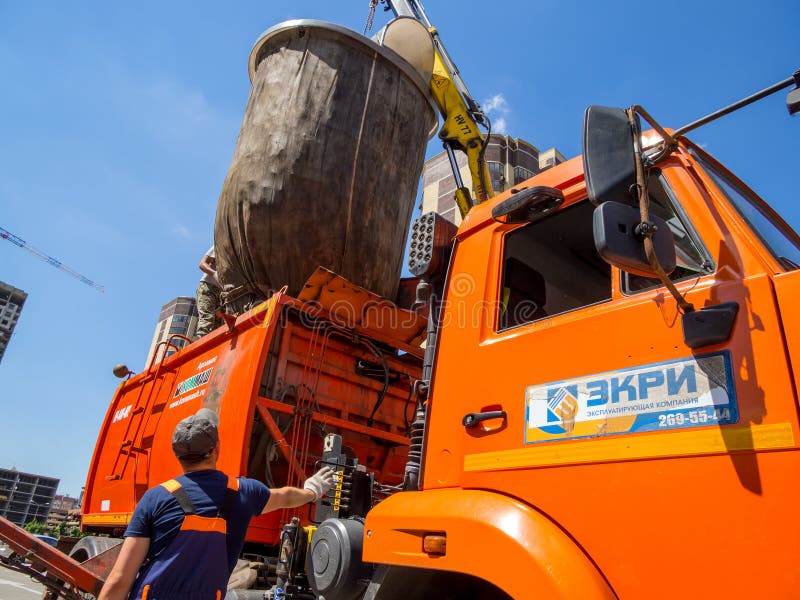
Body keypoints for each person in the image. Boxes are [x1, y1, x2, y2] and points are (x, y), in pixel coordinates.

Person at [98, 408, 334, 600]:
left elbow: (120, 579)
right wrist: (312, 491)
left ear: (176, 455)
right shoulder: (244, 492)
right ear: (216, 450)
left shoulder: (155, 497)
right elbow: (285, 496)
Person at [196, 246, 222, 338]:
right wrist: (214, 273)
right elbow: (202, 264)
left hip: (223, 294)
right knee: (207, 320)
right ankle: (201, 348)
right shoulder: (220, 244)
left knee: (219, 327)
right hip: (208, 287)